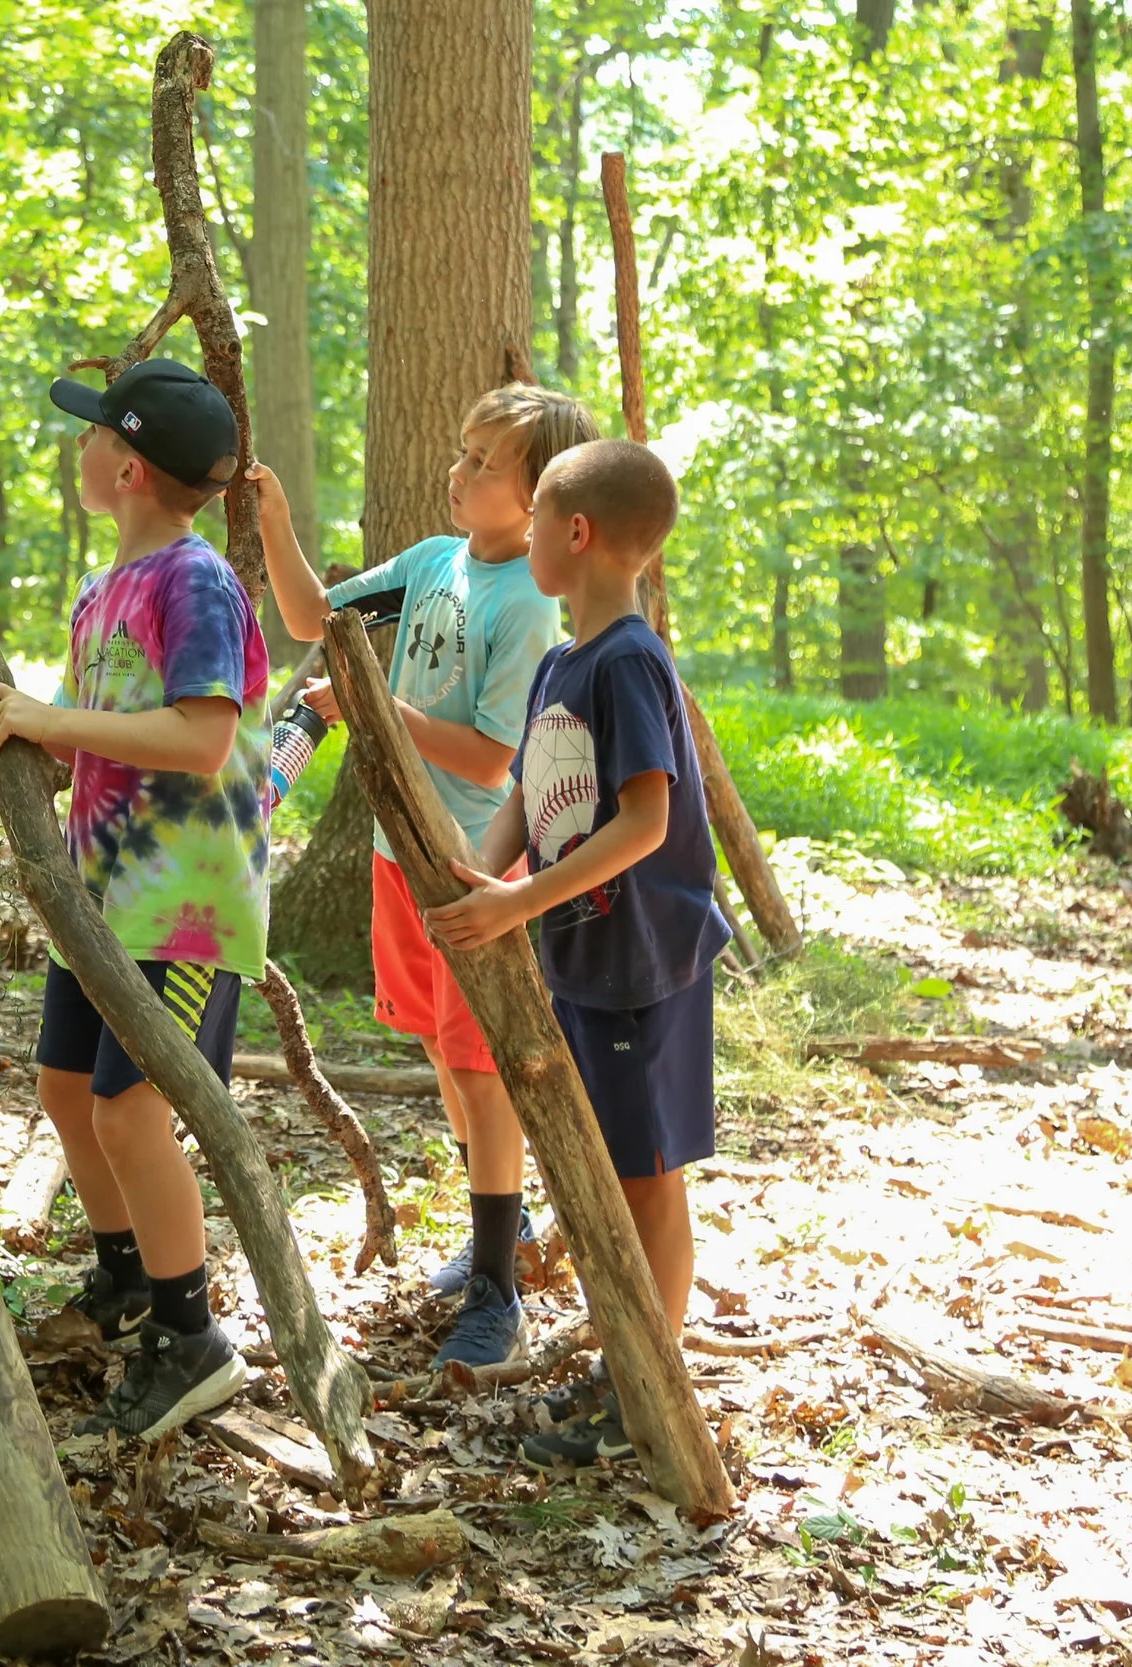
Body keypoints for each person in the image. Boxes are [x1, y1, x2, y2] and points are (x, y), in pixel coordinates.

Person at [0, 358, 270, 1441]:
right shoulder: (101, 590)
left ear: (125, 465)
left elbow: (203, 735)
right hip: (103, 897)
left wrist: (51, 720)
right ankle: (124, 1276)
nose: (75, 448)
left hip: (185, 906)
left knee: (130, 1108)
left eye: (88, 436)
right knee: (66, 1086)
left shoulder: (194, 580)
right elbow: (98, 750)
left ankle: (192, 1334)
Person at [251, 384, 599, 1370]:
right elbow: (316, 616)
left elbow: (494, 757)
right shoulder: (435, 564)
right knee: (448, 1060)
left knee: (484, 1071)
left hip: (476, 869)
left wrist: (372, 707)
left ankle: (496, 1293)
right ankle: (502, 1227)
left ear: (536, 496)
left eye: (484, 462)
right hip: (401, 856)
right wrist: (277, 521)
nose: (458, 470)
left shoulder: (530, 602)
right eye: (461, 451)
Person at [425, 438, 731, 1467]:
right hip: (586, 956)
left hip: (649, 959)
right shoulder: (564, 661)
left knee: (646, 1175)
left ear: (576, 532)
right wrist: (476, 871)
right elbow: (528, 789)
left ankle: (647, 1380)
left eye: (538, 518)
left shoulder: (630, 660)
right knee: (606, 1166)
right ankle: (621, 1361)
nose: (527, 541)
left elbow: (645, 822)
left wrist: (516, 902)